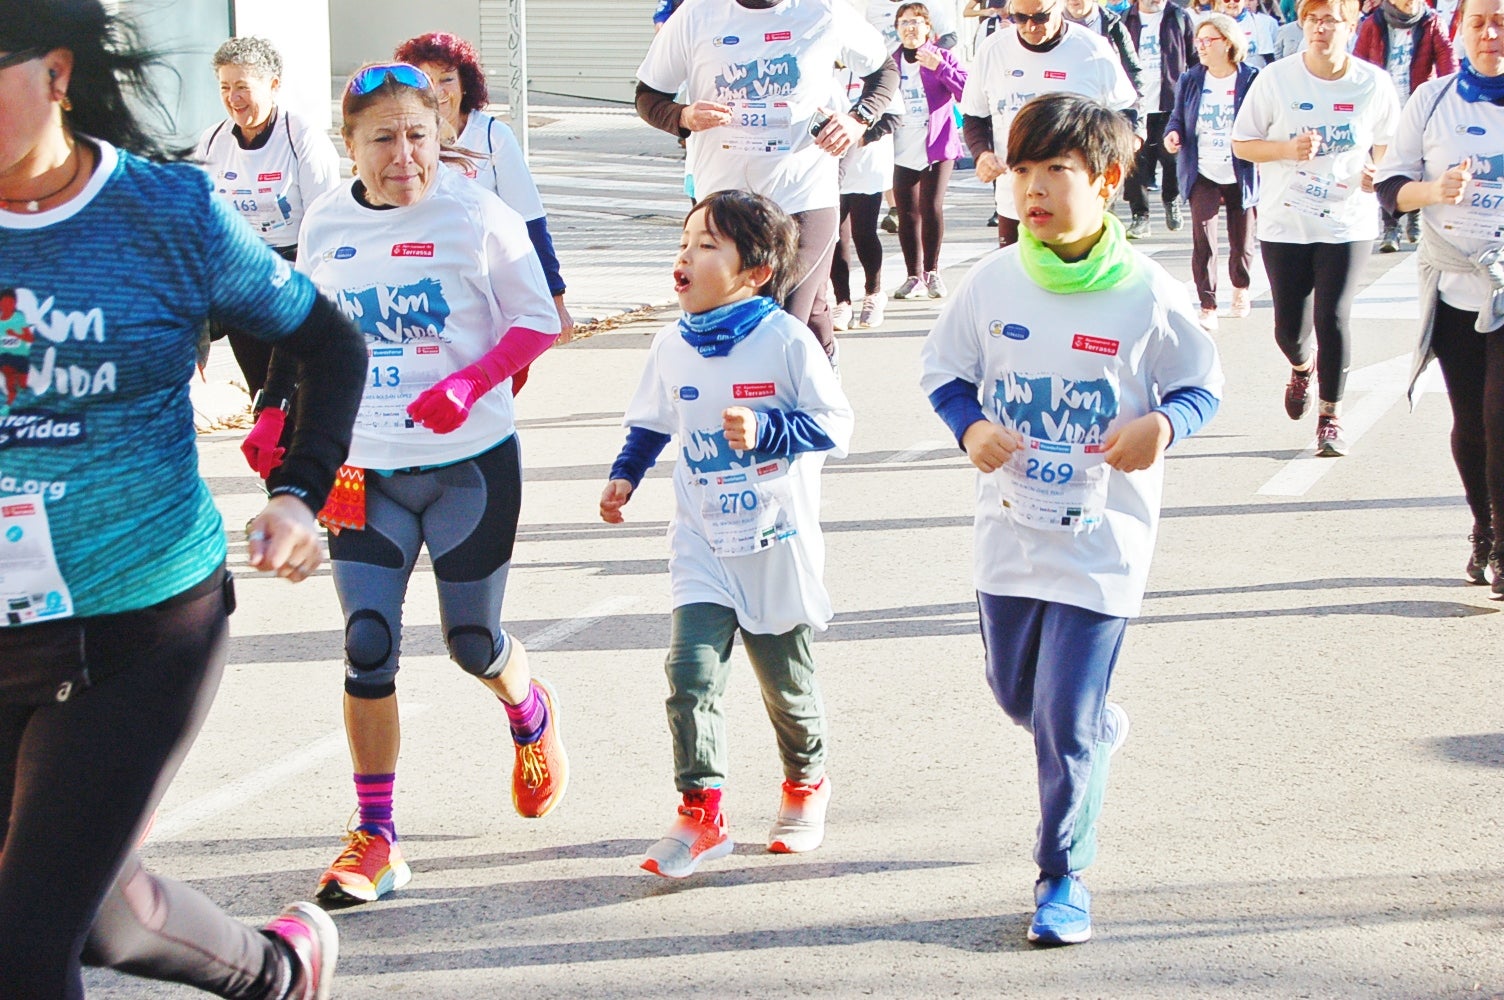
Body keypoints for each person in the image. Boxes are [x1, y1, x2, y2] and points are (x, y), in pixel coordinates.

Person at [0, 1, 368, 996]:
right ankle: (279, 969)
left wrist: (299, 493)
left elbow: (327, 345)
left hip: (138, 626)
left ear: (57, 73)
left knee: (21, 948)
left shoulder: (166, 215)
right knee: (89, 916)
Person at [249, 62, 569, 906]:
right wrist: (275, 411)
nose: (404, 155)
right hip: (364, 467)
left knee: (473, 646)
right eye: (382, 138)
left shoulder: (476, 214)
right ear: (348, 146)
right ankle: (377, 838)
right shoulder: (323, 222)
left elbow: (541, 320)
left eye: (418, 135)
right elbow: (301, 324)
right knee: (366, 646)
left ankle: (529, 707)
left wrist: (471, 380)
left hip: (470, 462)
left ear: (442, 137)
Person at [920, 93, 1222, 946]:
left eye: (1056, 169)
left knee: (1061, 720)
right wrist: (972, 426)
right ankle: (1093, 727)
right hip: (1010, 537)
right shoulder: (993, 280)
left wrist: (1162, 425)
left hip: (1105, 544)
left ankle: (1063, 877)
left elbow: (1203, 383)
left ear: (1109, 180)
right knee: (1016, 695)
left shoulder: (1145, 293)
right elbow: (945, 370)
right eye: (1021, 170)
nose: (1034, 189)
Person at [599, 190, 854, 878]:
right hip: (702, 539)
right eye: (684, 242)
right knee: (690, 673)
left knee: (786, 686)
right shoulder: (670, 342)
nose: (685, 255)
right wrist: (626, 475)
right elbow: (652, 420)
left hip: (772, 539)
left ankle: (806, 783)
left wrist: (769, 427)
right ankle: (701, 810)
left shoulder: (784, 340)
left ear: (756, 273)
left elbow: (834, 425)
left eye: (708, 245)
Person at [635, 0, 897, 363]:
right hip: (725, 203)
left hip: (804, 194)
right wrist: (682, 115)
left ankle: (805, 409)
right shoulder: (697, 14)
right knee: (771, 316)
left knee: (783, 322)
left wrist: (858, 119)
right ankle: (808, 389)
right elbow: (648, 95)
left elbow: (884, 69)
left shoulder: (823, 10)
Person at [1231, 0, 1400, 456]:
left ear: (1350, 27)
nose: (1320, 29)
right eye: (1312, 20)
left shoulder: (1373, 83)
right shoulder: (1277, 79)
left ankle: (1330, 418)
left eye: (1330, 21)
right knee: (1289, 329)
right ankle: (1302, 368)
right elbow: (1243, 144)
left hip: (1348, 220)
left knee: (1334, 316)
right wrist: (1287, 148)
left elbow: (1389, 143)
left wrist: (1374, 169)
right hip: (1286, 220)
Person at [1375, 0, 1504, 588]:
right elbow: (1390, 189)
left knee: (1500, 418)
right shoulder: (1432, 101)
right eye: (1478, 22)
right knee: (1471, 424)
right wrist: (1433, 190)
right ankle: (1485, 524)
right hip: (1456, 284)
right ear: (1460, 30)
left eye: (1501, 21)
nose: (1491, 33)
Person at [394, 32, 574, 343]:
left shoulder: (493, 136)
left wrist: (555, 298)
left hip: (488, 285)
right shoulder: (402, 140)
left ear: (465, 84)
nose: (437, 91)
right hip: (422, 286)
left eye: (447, 79)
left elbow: (529, 218)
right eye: (426, 80)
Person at [195, 36, 341, 399]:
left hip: (294, 277)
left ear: (274, 85)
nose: (233, 98)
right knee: (262, 393)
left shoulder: (302, 138)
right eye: (225, 87)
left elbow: (327, 224)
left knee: (299, 397)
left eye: (243, 86)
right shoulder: (213, 142)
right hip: (241, 283)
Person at [960, 0, 1138, 247]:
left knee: (1076, 281)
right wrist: (982, 154)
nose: (1031, 27)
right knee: (1016, 279)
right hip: (1016, 198)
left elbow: (1125, 111)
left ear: (1059, 7)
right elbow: (973, 115)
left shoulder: (1092, 48)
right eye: (1020, 18)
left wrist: (1121, 150)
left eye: (1041, 17)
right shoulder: (993, 50)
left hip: (1075, 200)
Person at [1164, 12, 1261, 328]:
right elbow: (1177, 117)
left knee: (1242, 237)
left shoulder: (1251, 78)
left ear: (1228, 42)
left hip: (1241, 167)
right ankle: (1208, 304)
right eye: (1199, 40)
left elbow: (1265, 119)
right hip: (1202, 168)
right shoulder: (1191, 79)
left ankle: (1241, 288)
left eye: (1209, 40)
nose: (1202, 46)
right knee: (1203, 237)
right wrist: (1172, 134)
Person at [1354, 0, 1457, 249]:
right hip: (1384, 109)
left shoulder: (1432, 23)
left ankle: (1415, 217)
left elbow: (1448, 63)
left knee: (1420, 163)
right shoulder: (1373, 24)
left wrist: (1451, 98)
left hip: (1418, 106)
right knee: (1386, 167)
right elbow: (1359, 64)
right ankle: (1390, 228)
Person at [889, 3, 969, 300]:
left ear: (928, 28)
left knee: (931, 206)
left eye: (916, 22)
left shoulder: (943, 57)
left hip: (937, 143)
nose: (910, 28)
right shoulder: (890, 62)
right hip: (901, 144)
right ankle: (913, 276)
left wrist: (940, 68)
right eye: (904, 23)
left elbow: (967, 92)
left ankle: (932, 272)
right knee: (906, 212)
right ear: (897, 29)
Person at [1122, 0, 1201, 237]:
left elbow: (1194, 57)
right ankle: (1140, 216)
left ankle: (1171, 200)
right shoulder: (1126, 19)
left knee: (1172, 158)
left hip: (1171, 101)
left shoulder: (1178, 17)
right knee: (1136, 162)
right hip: (1136, 103)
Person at [832, 63, 898, 330]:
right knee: (836, 235)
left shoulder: (878, 71)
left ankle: (873, 293)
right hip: (832, 163)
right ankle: (842, 301)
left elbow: (893, 118)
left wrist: (860, 137)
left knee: (863, 232)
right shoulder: (824, 69)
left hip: (868, 165)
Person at [1065, 0, 1148, 102]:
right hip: (1066, 109)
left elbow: (1133, 72)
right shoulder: (1053, 27)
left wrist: (1136, 110)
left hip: (1106, 108)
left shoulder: (1113, 26)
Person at [1216, 0, 1282, 65]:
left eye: (1236, 0)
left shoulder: (1264, 21)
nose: (1232, 2)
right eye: (1226, 0)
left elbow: (1274, 55)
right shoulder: (1213, 24)